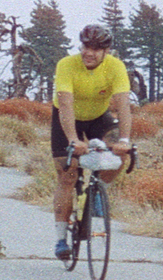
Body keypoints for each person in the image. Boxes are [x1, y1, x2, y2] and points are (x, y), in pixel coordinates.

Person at [51, 24, 134, 258]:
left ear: (106, 51)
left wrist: (125, 140)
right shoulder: (67, 65)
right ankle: (60, 239)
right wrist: (73, 140)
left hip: (98, 117)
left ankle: (98, 192)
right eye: (86, 46)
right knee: (67, 175)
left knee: (121, 154)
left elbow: (123, 105)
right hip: (67, 120)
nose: (90, 52)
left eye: (97, 49)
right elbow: (65, 104)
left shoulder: (116, 67)